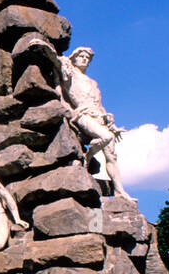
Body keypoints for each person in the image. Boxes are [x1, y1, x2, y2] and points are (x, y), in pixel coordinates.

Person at [57, 47, 134, 202]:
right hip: (83, 114)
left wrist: (111, 123)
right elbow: (56, 59)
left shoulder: (93, 83)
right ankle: (88, 158)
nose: (84, 59)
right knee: (106, 137)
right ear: (74, 58)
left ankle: (120, 191)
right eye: (81, 56)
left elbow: (99, 105)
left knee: (111, 156)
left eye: (87, 57)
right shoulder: (69, 73)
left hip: (98, 117)